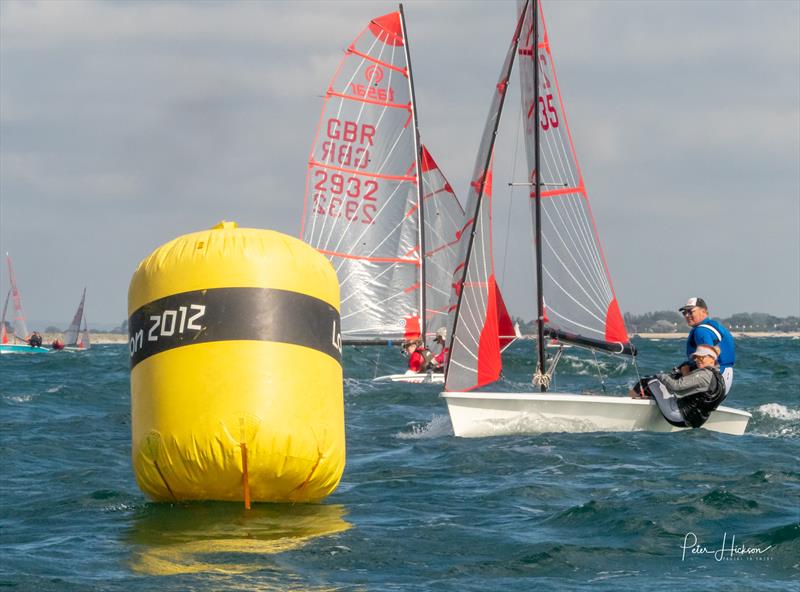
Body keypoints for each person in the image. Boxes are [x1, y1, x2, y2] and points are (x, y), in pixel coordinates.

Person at [630, 345, 726, 428]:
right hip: (697, 420)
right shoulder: (718, 376)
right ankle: (649, 398)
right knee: (666, 388)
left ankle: (630, 402)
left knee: (647, 380)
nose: (697, 360)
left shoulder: (704, 375)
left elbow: (676, 386)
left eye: (701, 357)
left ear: (712, 359)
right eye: (696, 357)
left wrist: (661, 376)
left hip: (679, 417)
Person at [678, 297, 735, 394]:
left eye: (690, 312)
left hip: (714, 382)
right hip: (726, 377)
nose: (687, 315)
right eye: (684, 313)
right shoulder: (716, 326)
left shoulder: (701, 331)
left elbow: (707, 361)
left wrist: (685, 374)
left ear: (703, 311)